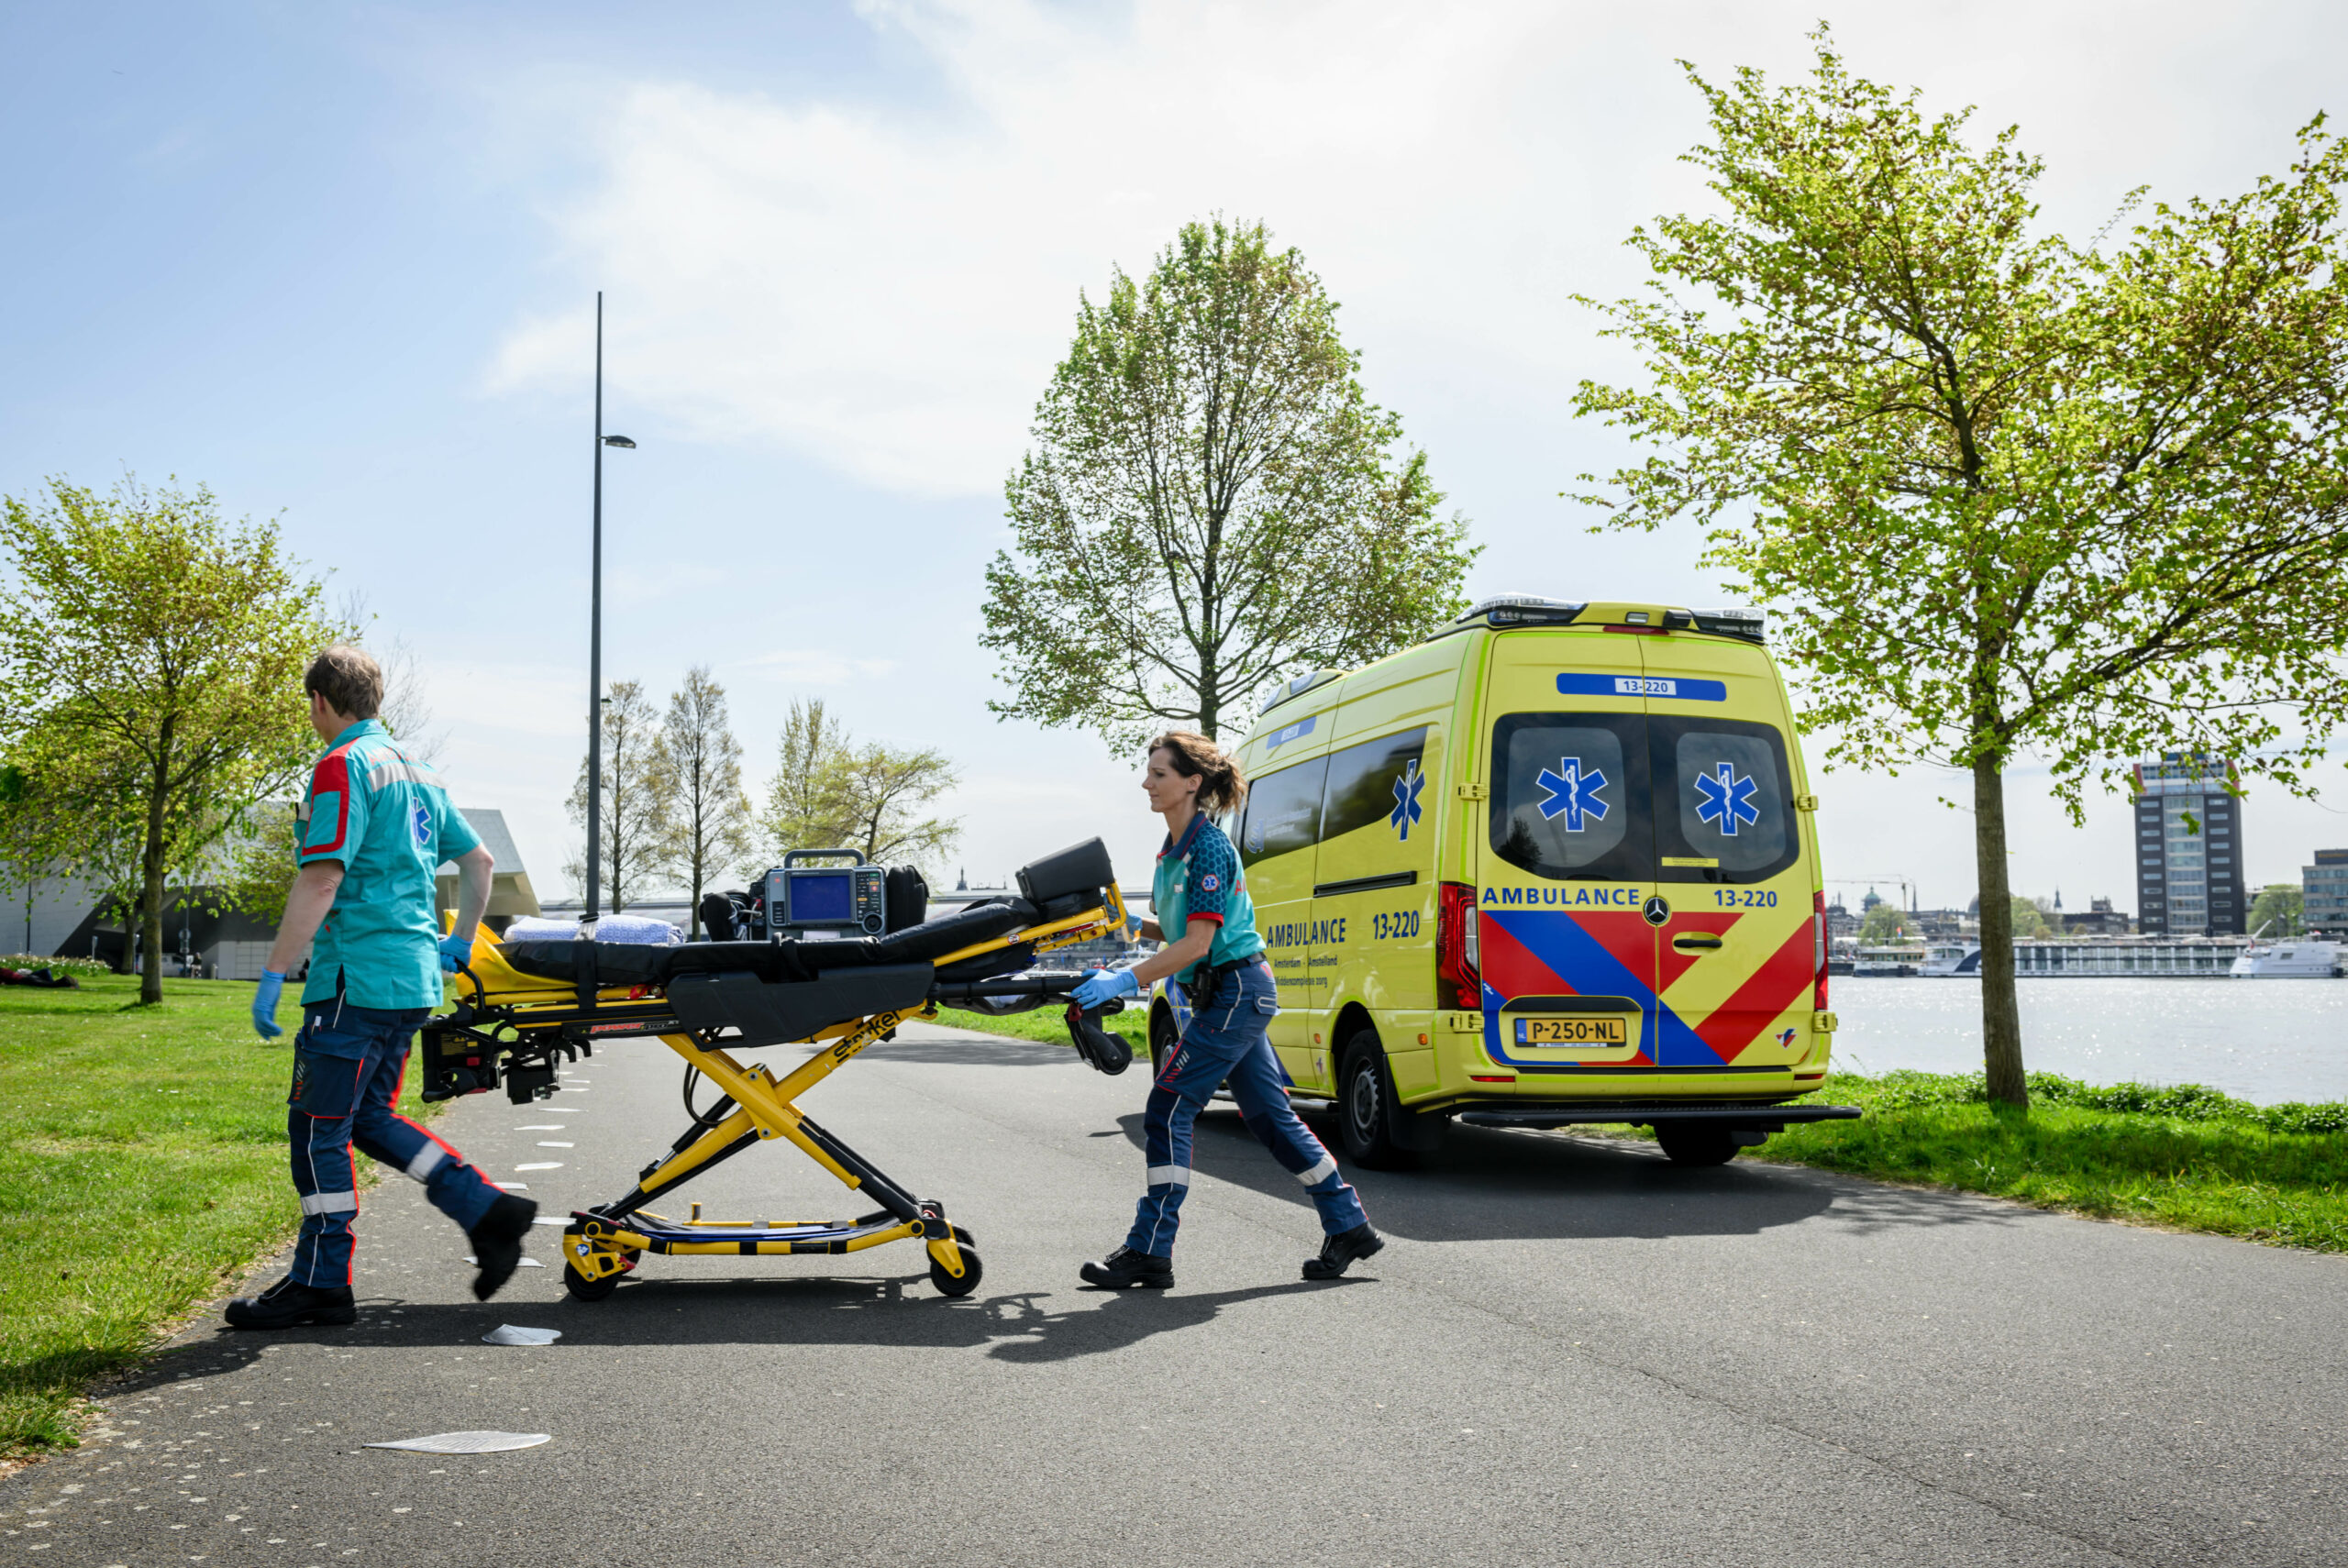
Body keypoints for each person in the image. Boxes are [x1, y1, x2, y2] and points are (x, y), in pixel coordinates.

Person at [225, 646, 536, 1331]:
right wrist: (458, 940)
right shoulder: (417, 770)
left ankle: (321, 1282)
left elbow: (322, 877)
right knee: (365, 1119)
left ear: (320, 701)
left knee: (316, 1131)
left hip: (353, 980)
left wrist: (275, 970)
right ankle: (483, 1207)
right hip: (412, 978)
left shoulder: (342, 765)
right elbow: (478, 861)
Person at [1071, 731, 1383, 1288]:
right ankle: (1350, 1225)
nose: (1147, 783)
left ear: (1192, 783)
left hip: (1236, 990)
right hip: (1228, 993)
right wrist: (1124, 925)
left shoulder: (1209, 847)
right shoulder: (1171, 852)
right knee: (1269, 1117)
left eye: (1159, 774)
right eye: (1148, 773)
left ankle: (1150, 1248)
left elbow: (1196, 945)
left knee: (1168, 1108)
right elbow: (1176, 931)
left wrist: (1124, 977)